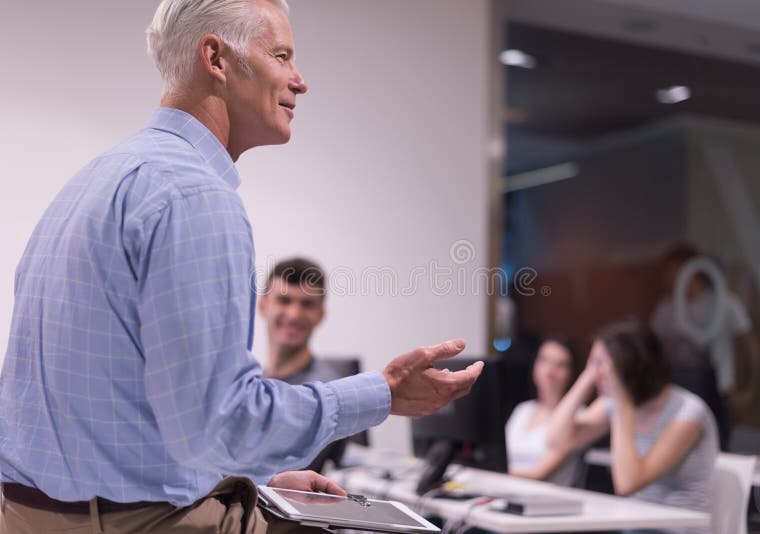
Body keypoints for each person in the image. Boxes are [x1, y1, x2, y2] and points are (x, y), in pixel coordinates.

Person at [0, 1, 483, 532]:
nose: (300, 81)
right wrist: (384, 393)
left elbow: (150, 423)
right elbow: (222, 420)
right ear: (216, 58)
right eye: (281, 55)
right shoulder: (194, 196)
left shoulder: (95, 179)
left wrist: (253, 477)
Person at [548, 319, 718, 534]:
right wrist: (588, 376)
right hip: (636, 529)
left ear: (630, 368)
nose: (600, 374)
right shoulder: (616, 405)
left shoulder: (688, 412)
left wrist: (621, 401)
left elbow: (627, 483)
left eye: (605, 366)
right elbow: (556, 441)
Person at [259, 257, 367, 470]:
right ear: (262, 306)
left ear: (321, 314)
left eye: (307, 304)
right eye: (284, 301)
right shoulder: (253, 383)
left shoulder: (325, 391)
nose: (294, 314)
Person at [650, 244, 760, 448]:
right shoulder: (666, 308)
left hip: (719, 392)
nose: (667, 279)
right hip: (677, 392)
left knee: (718, 447)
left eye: (672, 272)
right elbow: (655, 351)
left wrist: (747, 389)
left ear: (691, 270)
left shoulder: (724, 303)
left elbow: (749, 345)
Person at [504, 338, 583, 485]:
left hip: (550, 501)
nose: (549, 371)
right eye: (544, 360)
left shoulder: (578, 415)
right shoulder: (523, 409)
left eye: (560, 365)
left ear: (571, 373)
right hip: (506, 492)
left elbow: (539, 475)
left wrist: (490, 470)